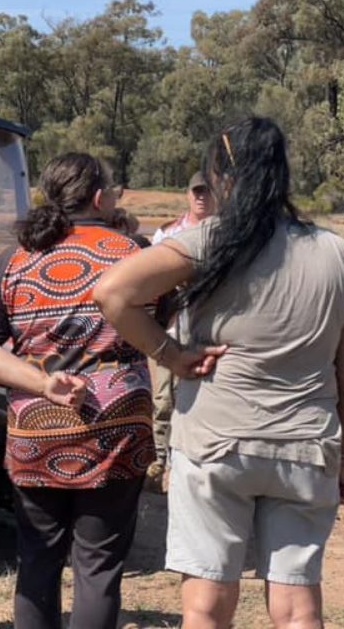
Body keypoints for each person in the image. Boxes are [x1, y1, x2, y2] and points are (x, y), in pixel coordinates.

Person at [94, 117, 344, 629]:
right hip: (306, 447)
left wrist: (170, 355)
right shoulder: (339, 255)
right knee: (299, 606)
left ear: (222, 177)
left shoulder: (208, 242)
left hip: (215, 446)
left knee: (206, 605)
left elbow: (112, 293)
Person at [0, 152, 158, 629]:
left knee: (38, 558)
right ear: (98, 197)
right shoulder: (135, 256)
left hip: (36, 431)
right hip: (118, 425)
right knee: (98, 565)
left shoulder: (16, 260)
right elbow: (165, 326)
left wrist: (43, 383)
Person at [146, 171, 217, 490]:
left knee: (206, 399)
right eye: (196, 192)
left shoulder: (229, 236)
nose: (201, 197)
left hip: (212, 331)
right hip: (171, 328)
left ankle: (193, 462)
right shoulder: (167, 234)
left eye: (206, 192)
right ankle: (161, 462)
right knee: (163, 399)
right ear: (188, 195)